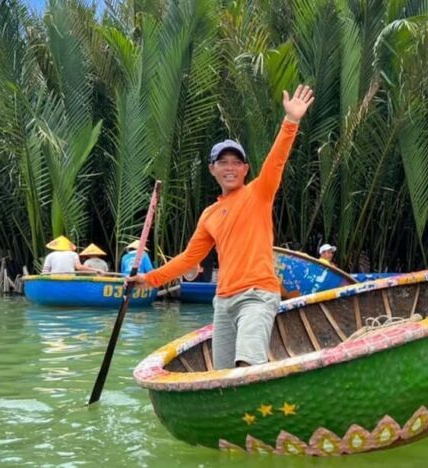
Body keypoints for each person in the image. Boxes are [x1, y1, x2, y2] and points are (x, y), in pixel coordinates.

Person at [128, 84, 314, 369]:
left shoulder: (258, 193)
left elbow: (276, 161)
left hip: (257, 294)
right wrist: (149, 279)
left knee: (246, 366)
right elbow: (190, 259)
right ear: (212, 169)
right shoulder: (209, 214)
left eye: (236, 163)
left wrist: (291, 121)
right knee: (222, 375)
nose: (230, 168)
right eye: (223, 162)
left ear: (245, 169)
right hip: (223, 302)